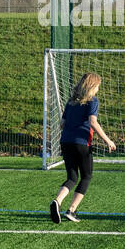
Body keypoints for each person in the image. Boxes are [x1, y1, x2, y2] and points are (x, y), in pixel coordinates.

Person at [51, 72, 116, 223]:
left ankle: (57, 201)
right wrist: (108, 140)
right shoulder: (93, 101)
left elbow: (62, 124)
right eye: (98, 86)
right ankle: (71, 210)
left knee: (72, 177)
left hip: (66, 141)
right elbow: (93, 122)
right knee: (86, 176)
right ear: (93, 86)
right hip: (82, 143)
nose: (98, 89)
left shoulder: (71, 101)